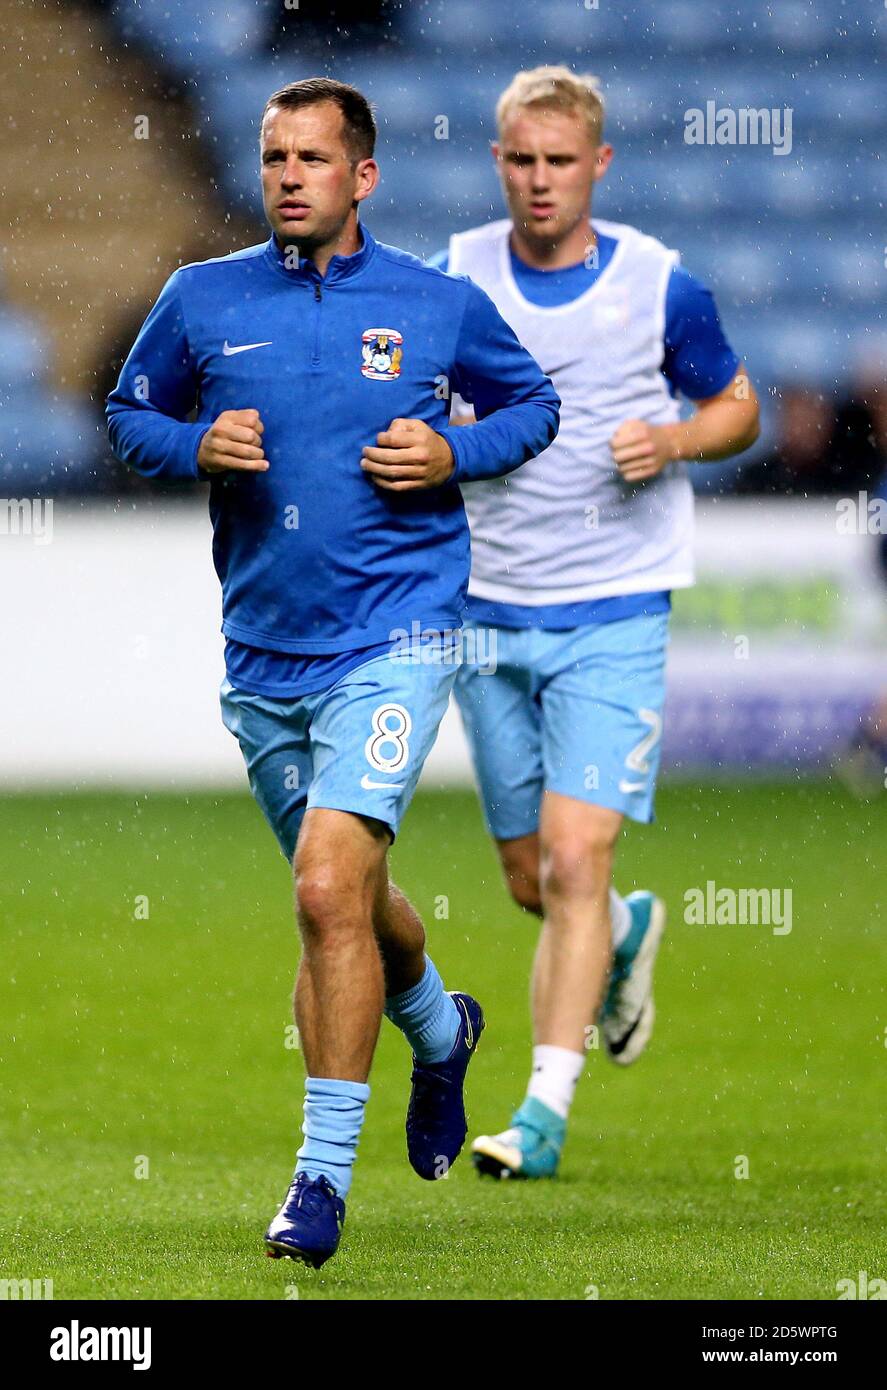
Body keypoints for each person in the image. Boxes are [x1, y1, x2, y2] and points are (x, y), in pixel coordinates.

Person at [106, 77, 559, 1262]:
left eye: (311, 158)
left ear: (362, 176)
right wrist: (190, 441)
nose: (287, 176)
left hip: (399, 635)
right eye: (272, 158)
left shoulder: (435, 304)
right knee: (351, 902)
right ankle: (440, 1026)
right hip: (264, 653)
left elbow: (533, 407)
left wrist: (453, 447)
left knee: (320, 894)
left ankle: (317, 1182)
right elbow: (126, 412)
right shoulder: (201, 300)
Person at [429, 66, 759, 1179]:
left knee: (575, 859)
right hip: (484, 612)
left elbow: (736, 404)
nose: (537, 181)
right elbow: (416, 400)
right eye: (519, 160)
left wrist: (670, 441)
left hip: (612, 611)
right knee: (533, 878)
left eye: (558, 162)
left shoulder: (659, 283)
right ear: (496, 160)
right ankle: (623, 933)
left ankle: (541, 1113)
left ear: (597, 165)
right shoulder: (457, 274)